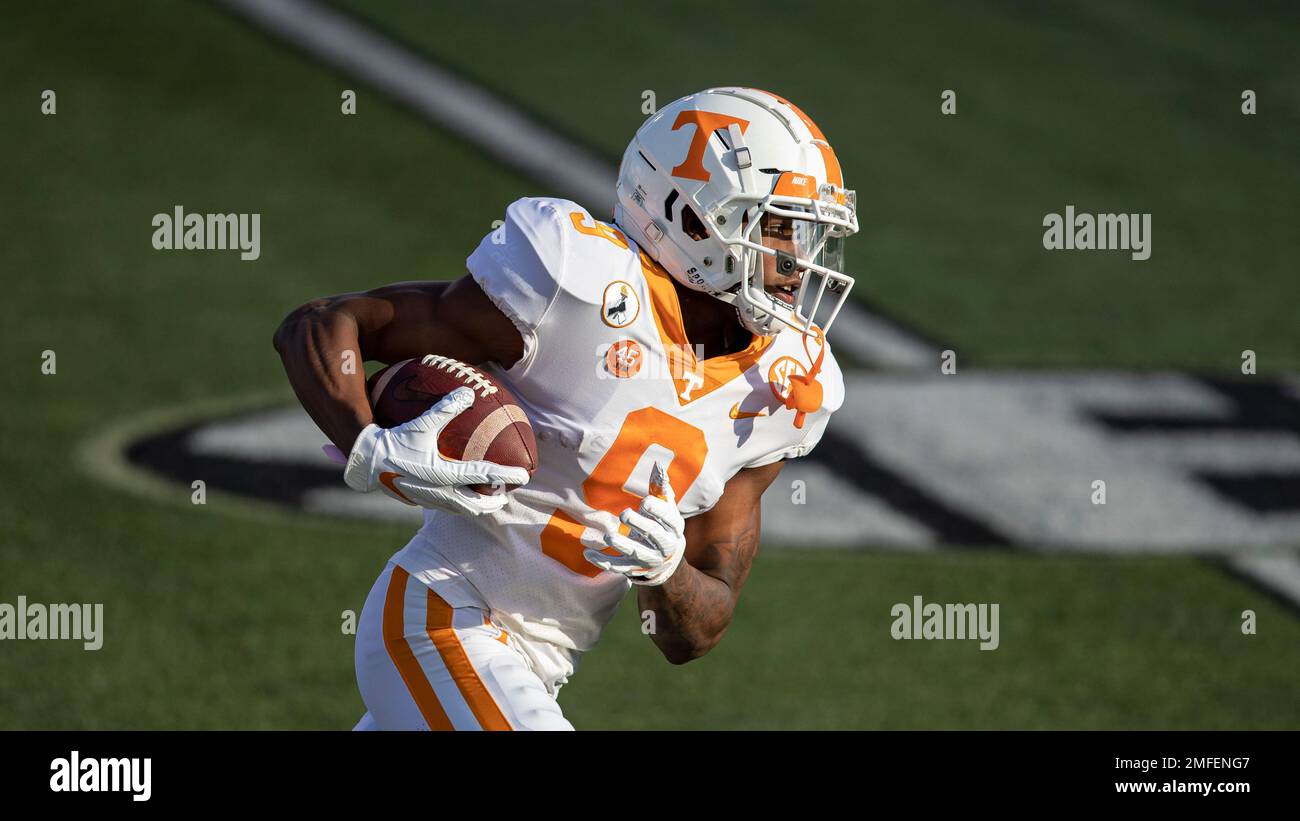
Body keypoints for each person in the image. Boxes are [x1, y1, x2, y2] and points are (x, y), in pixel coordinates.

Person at [273, 87, 860, 730]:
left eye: (806, 233)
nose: (797, 261)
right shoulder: (577, 286)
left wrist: (665, 571)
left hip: (533, 670)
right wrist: (366, 448)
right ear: (691, 216)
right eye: (776, 226)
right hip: (439, 616)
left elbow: (694, 635)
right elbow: (326, 322)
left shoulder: (781, 389)